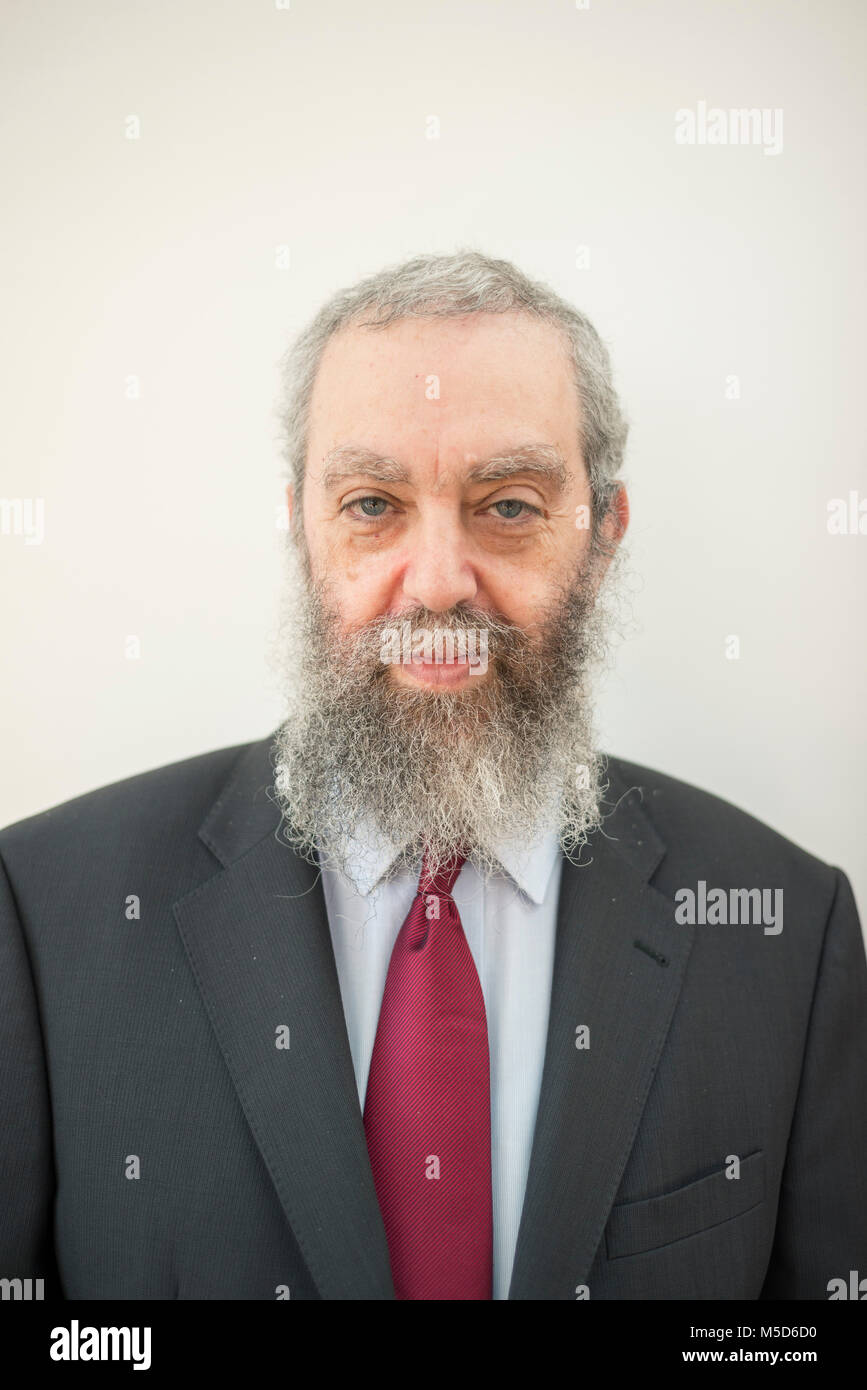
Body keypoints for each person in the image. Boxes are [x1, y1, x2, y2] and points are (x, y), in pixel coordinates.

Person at [1, 251, 865, 1301]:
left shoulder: (788, 931)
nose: (441, 583)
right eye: (373, 504)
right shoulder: (46, 912)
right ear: (303, 531)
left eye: (508, 505)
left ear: (604, 536)